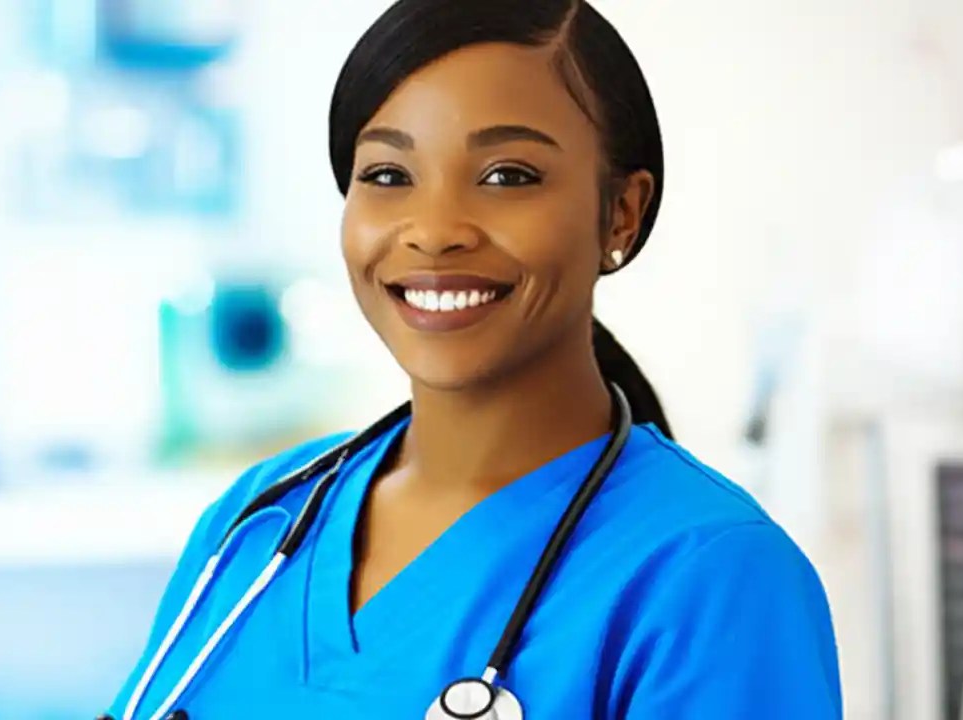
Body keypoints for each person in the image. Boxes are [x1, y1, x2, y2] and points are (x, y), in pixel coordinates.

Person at [104, 1, 842, 718]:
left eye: (507, 175)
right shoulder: (258, 521)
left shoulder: (714, 578)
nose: (434, 231)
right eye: (389, 175)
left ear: (620, 210)